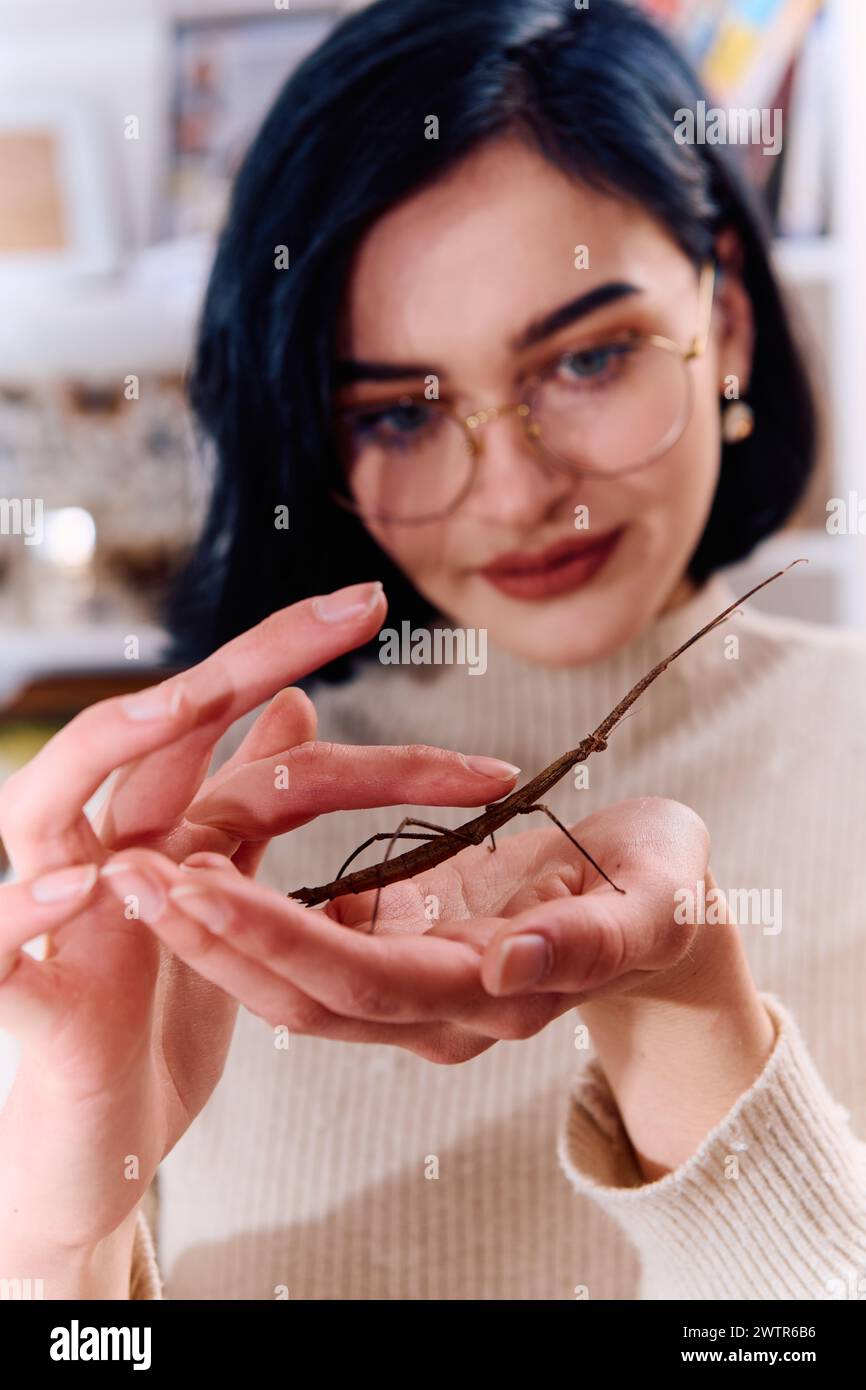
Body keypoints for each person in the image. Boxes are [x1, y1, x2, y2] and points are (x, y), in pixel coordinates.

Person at [2, 0, 864, 1301]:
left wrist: (683, 1000)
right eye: (399, 412)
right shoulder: (211, 832)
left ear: (729, 324)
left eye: (587, 357)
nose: (514, 491)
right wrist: (59, 1243)